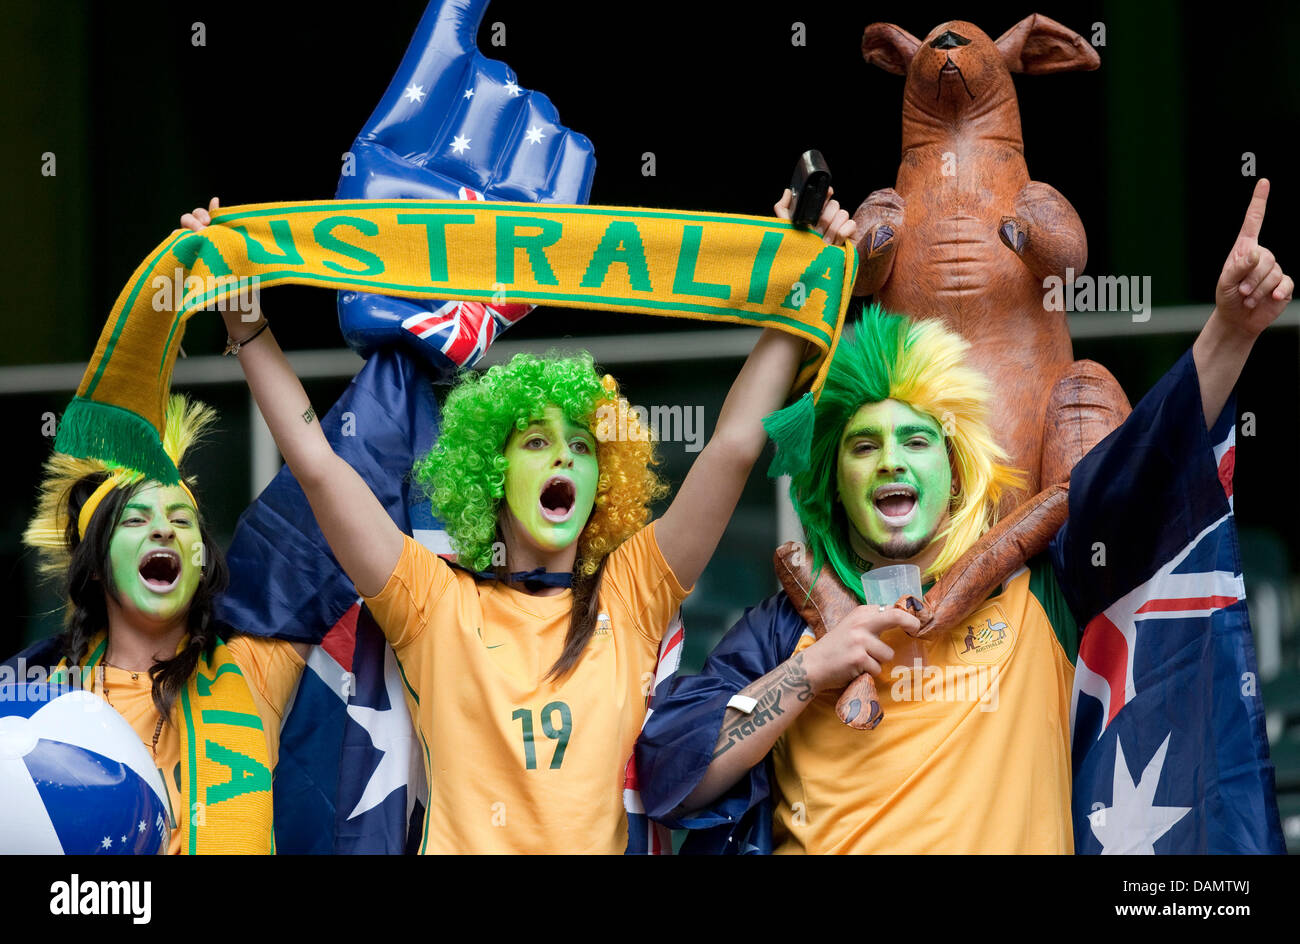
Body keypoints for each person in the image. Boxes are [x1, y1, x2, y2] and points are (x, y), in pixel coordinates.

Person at [179, 187, 856, 853]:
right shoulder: (432, 601)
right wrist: (247, 327)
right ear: (492, 477)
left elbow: (735, 446)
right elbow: (319, 466)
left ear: (602, 485)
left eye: (583, 447)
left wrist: (797, 297)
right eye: (536, 441)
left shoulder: (632, 591)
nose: (564, 453)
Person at [635, 180, 1292, 854]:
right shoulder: (784, 631)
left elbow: (1148, 475)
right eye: (864, 447)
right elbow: (670, 773)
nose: (891, 461)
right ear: (835, 487)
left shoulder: (1043, 589)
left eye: (917, 442)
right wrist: (809, 672)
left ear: (955, 477)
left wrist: (1229, 333)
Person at [14, 396, 307, 854]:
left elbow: (325, 482)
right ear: (95, 565)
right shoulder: (37, 710)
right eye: (135, 519)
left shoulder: (254, 666)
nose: (164, 531)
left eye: (180, 519)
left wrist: (250, 339)